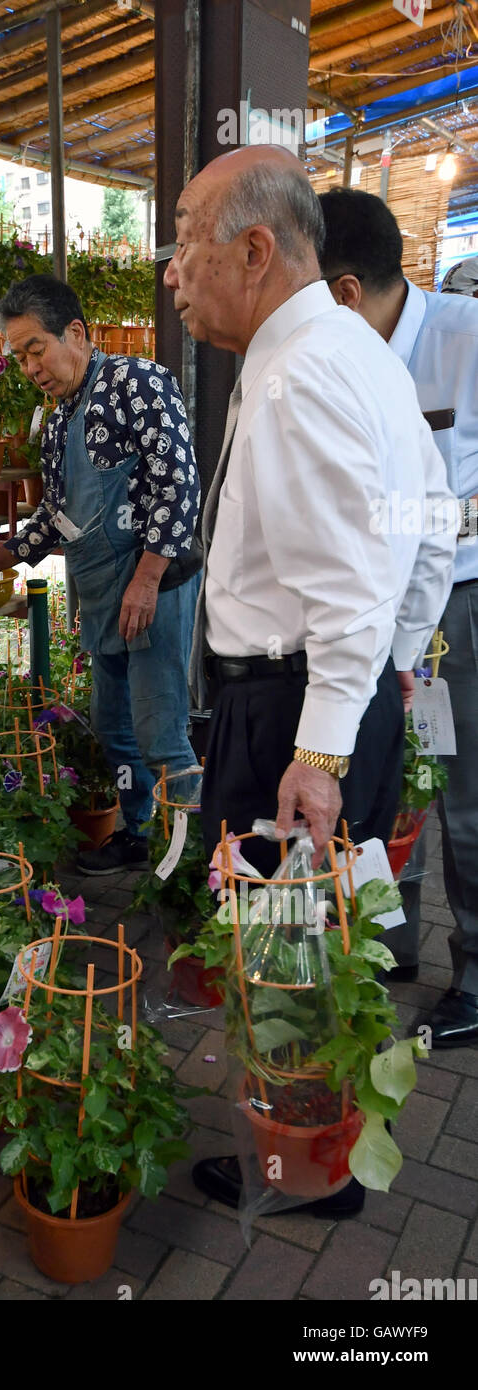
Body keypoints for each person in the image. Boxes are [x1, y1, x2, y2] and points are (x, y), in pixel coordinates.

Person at [164, 145, 457, 1214]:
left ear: (254, 248)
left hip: (292, 713)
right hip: (334, 699)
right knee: (331, 930)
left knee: (285, 942)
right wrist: (382, 665)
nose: (171, 271)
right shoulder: (355, 348)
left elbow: (345, 580)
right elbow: (428, 528)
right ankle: (315, 1143)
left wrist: (319, 750)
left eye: (186, 242)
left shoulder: (297, 371)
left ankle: (298, 1164)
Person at [0, 274, 202, 875]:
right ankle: (138, 830)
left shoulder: (136, 383)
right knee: (113, 727)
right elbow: (59, 515)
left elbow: (179, 482)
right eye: (19, 357)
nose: (29, 367)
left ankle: (195, 863)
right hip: (102, 593)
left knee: (160, 732)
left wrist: (147, 579)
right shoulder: (60, 415)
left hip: (155, 587)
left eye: (35, 349)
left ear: (75, 332)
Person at [319, 187, 478, 1048]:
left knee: (461, 794)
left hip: (458, 604)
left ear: (344, 290)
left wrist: (421, 519)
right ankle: (393, 946)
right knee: (392, 777)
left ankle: (477, 979)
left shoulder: (463, 335)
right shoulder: (339, 358)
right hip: (379, 609)